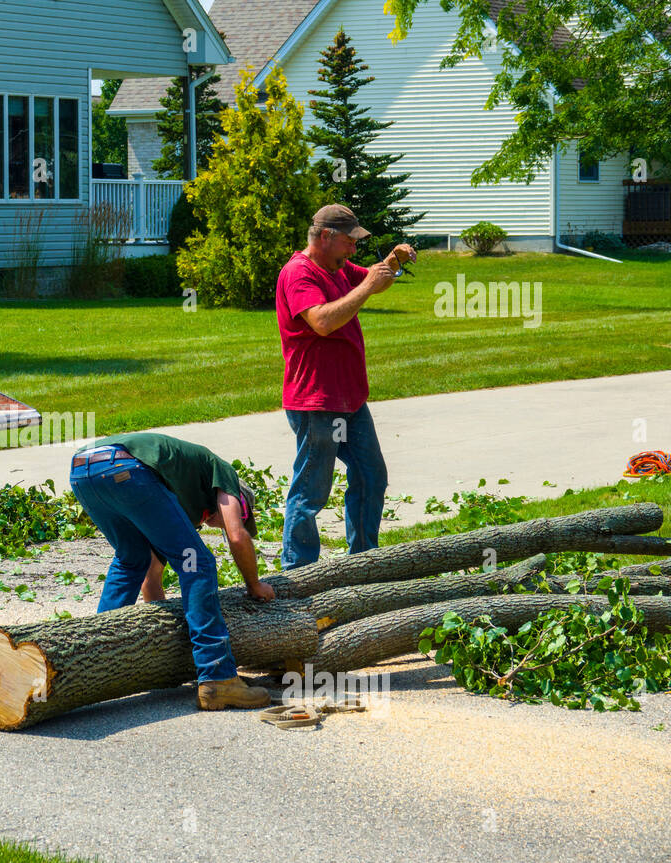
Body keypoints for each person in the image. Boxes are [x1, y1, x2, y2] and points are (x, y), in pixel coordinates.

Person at [69, 432, 275, 711]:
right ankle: (218, 678)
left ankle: (94, 664)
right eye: (240, 513)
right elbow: (237, 537)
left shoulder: (176, 496)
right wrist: (254, 584)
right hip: (126, 468)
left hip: (84, 470)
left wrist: (162, 635)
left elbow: (150, 577)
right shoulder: (223, 472)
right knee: (199, 564)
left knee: (132, 560)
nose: (222, 525)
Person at [274, 204, 414, 570]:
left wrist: (393, 260)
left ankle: (363, 562)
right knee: (311, 491)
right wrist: (368, 285)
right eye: (349, 242)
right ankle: (298, 572)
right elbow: (321, 321)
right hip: (316, 401)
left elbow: (371, 277)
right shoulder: (298, 274)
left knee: (371, 476)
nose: (353, 250)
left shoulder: (335, 268)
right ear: (325, 237)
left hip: (350, 400)